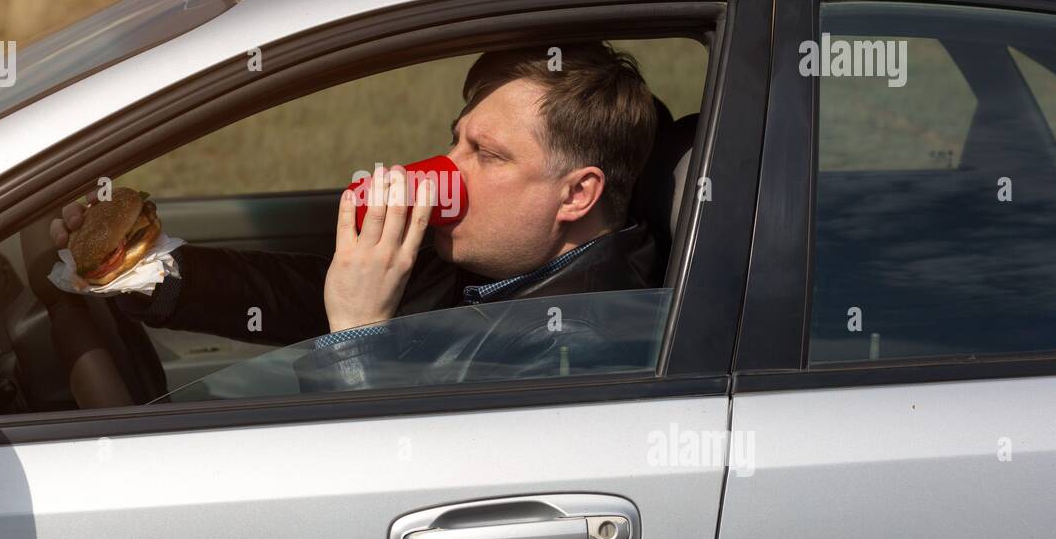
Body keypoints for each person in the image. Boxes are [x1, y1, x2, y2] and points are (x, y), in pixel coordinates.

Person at [50, 42, 662, 391]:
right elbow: (305, 295)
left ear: (577, 195)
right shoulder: (492, 264)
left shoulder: (578, 352)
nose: (443, 170)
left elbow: (393, 499)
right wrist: (144, 266)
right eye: (456, 140)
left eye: (486, 154)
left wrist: (355, 340)